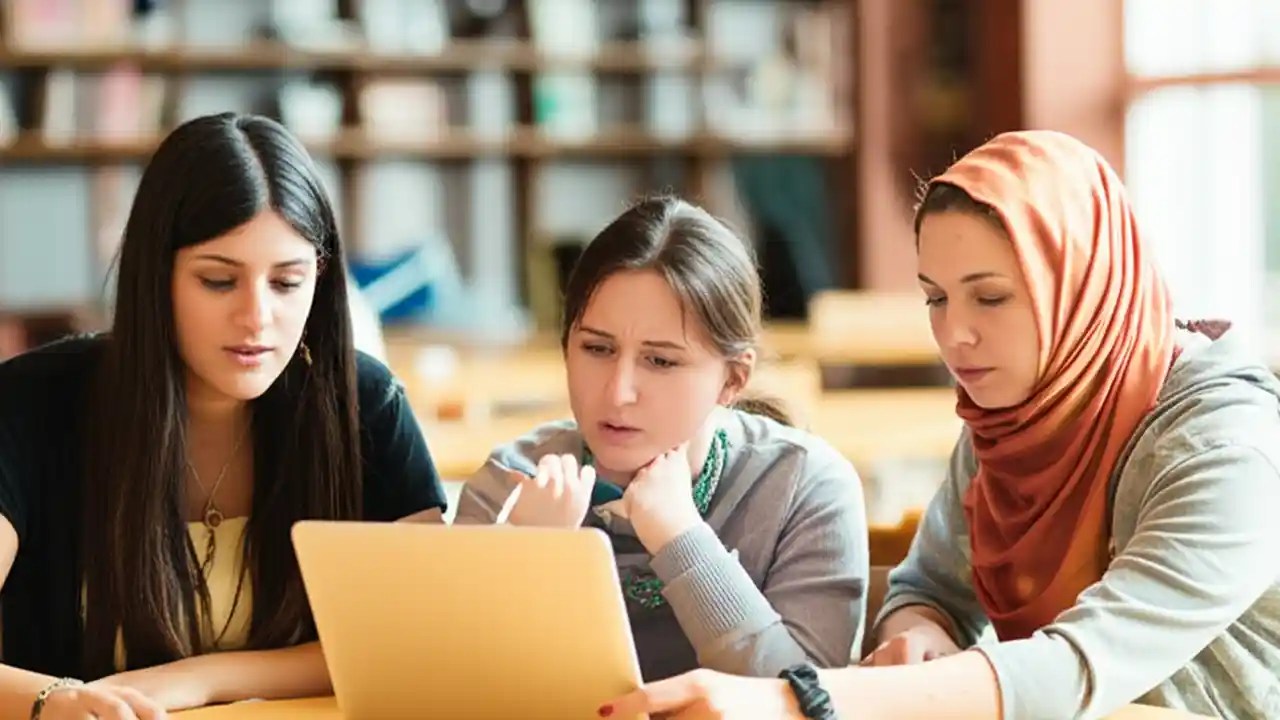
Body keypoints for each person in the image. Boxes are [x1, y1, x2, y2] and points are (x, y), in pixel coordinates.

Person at [600, 131, 1280, 720]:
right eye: (935, 297)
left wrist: (798, 700)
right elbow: (930, 586)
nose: (955, 336)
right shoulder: (1017, 412)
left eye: (991, 297)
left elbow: (1079, 666)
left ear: (1079, 283)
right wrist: (919, 630)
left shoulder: (1225, 447)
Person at [0, 112, 447, 719]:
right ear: (156, 277)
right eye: (218, 281)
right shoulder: (34, 403)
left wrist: (198, 680)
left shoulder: (361, 403)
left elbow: (421, 639)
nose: (257, 317)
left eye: (287, 283)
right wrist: (52, 701)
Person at [453, 196, 868, 682]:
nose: (618, 391)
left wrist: (680, 538)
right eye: (597, 348)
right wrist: (528, 563)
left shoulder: (806, 486)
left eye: (661, 360)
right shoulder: (510, 484)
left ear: (733, 379)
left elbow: (803, 700)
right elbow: (456, 693)